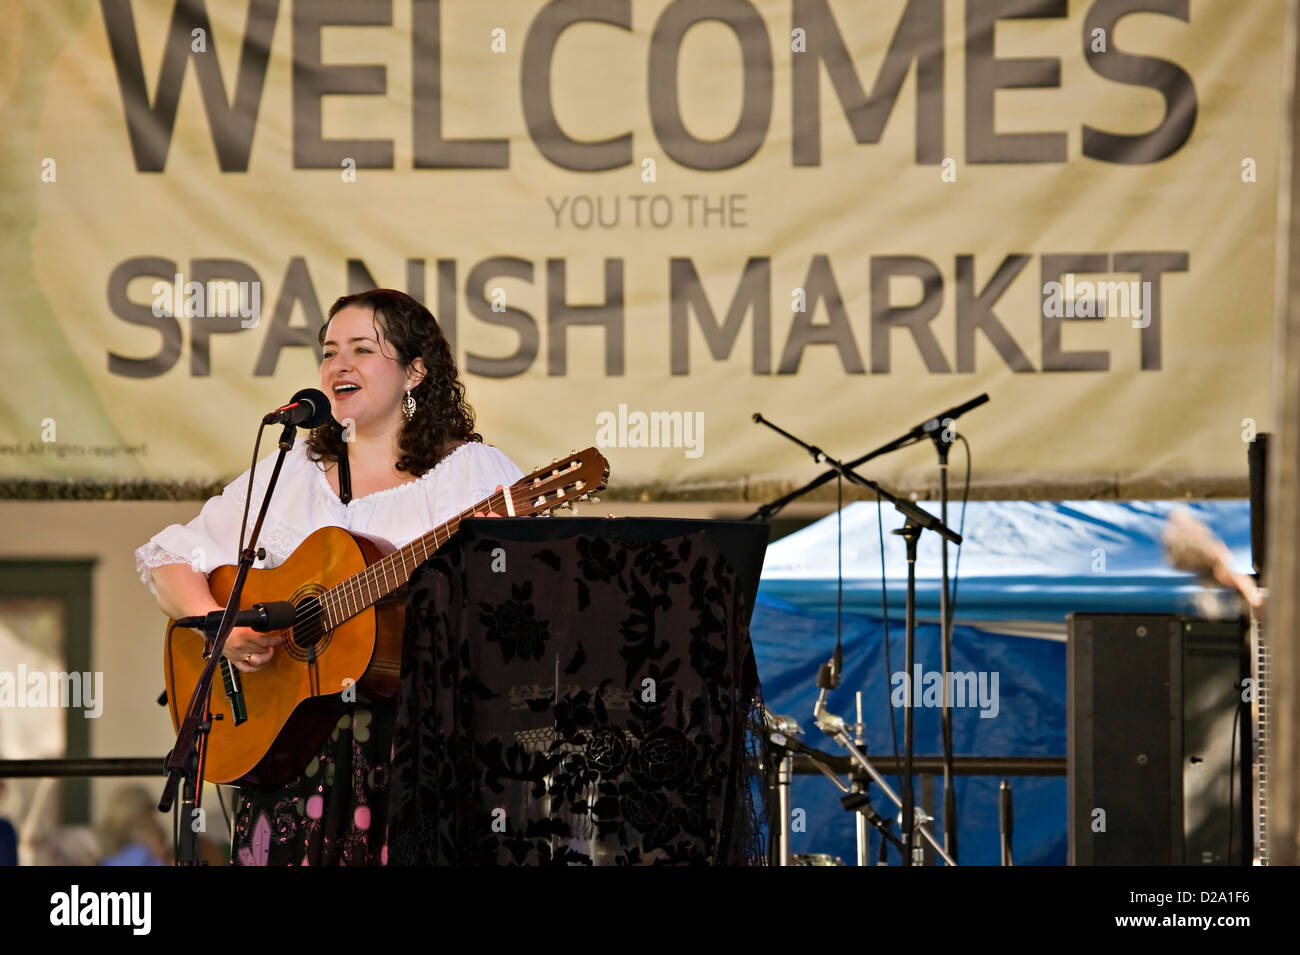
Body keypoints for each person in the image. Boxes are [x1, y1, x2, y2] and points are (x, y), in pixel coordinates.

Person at [135, 289, 523, 865]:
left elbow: (521, 611)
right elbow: (168, 557)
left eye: (363, 350)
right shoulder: (289, 473)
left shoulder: (470, 474)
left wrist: (498, 560)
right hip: (290, 756)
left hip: (416, 749)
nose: (338, 365)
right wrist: (221, 625)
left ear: (416, 372)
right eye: (329, 351)